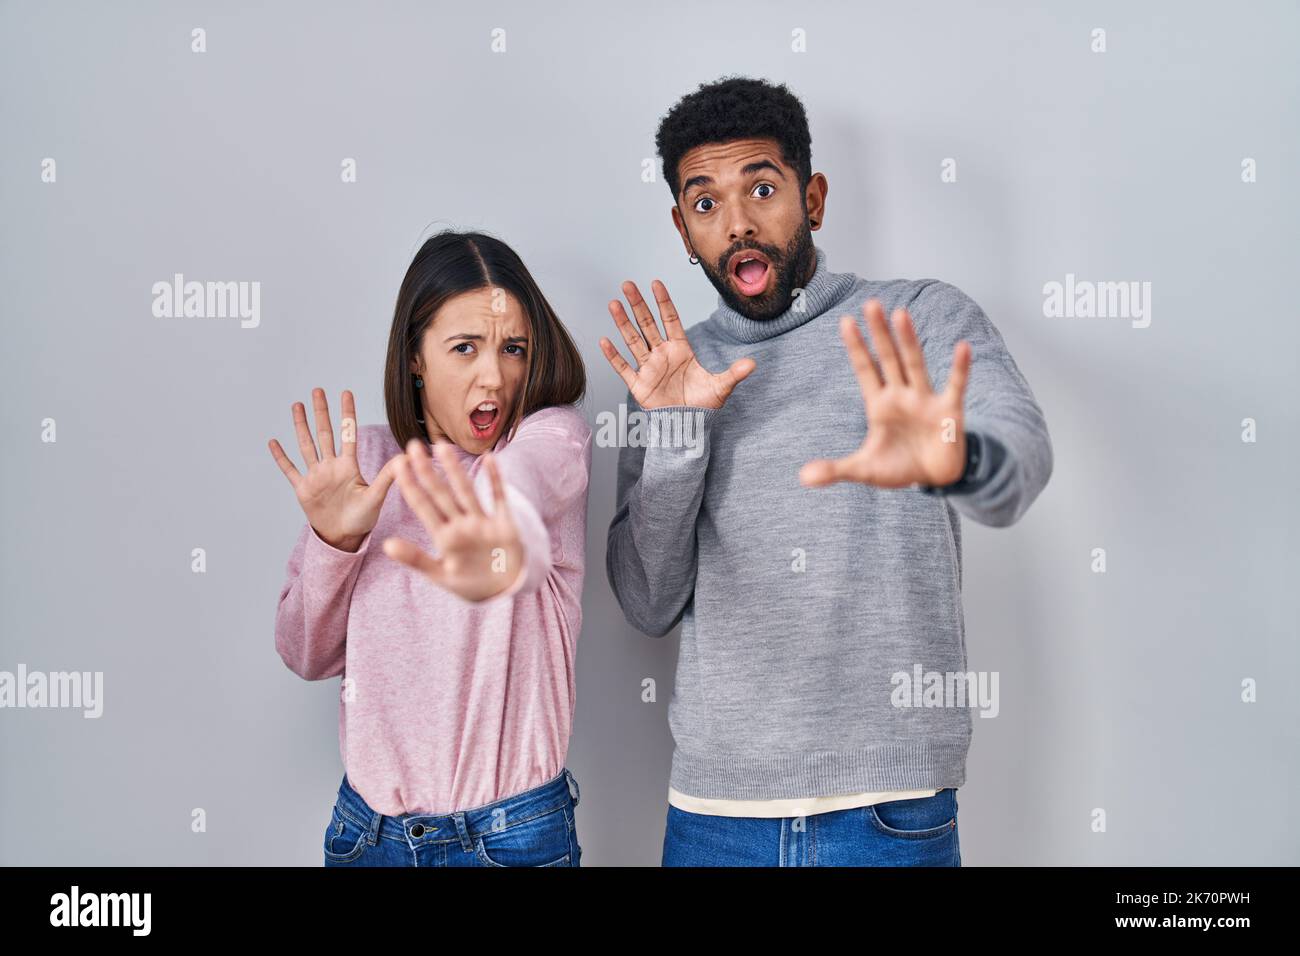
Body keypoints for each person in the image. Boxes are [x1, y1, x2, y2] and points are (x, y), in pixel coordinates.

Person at [601, 76, 1054, 866]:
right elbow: (646, 603)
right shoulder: (671, 372)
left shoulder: (917, 318)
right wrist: (678, 432)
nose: (737, 224)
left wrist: (956, 457)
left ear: (812, 197)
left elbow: (1022, 458)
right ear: (682, 227)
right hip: (714, 818)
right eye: (705, 204)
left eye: (763, 189)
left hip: (889, 813)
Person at [270, 229, 592, 866]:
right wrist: (336, 540)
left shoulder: (553, 438)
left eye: (513, 348)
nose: (494, 376)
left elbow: (524, 487)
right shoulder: (364, 463)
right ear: (415, 357)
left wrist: (497, 531)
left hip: (511, 839)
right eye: (464, 348)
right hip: (370, 837)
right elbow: (305, 654)